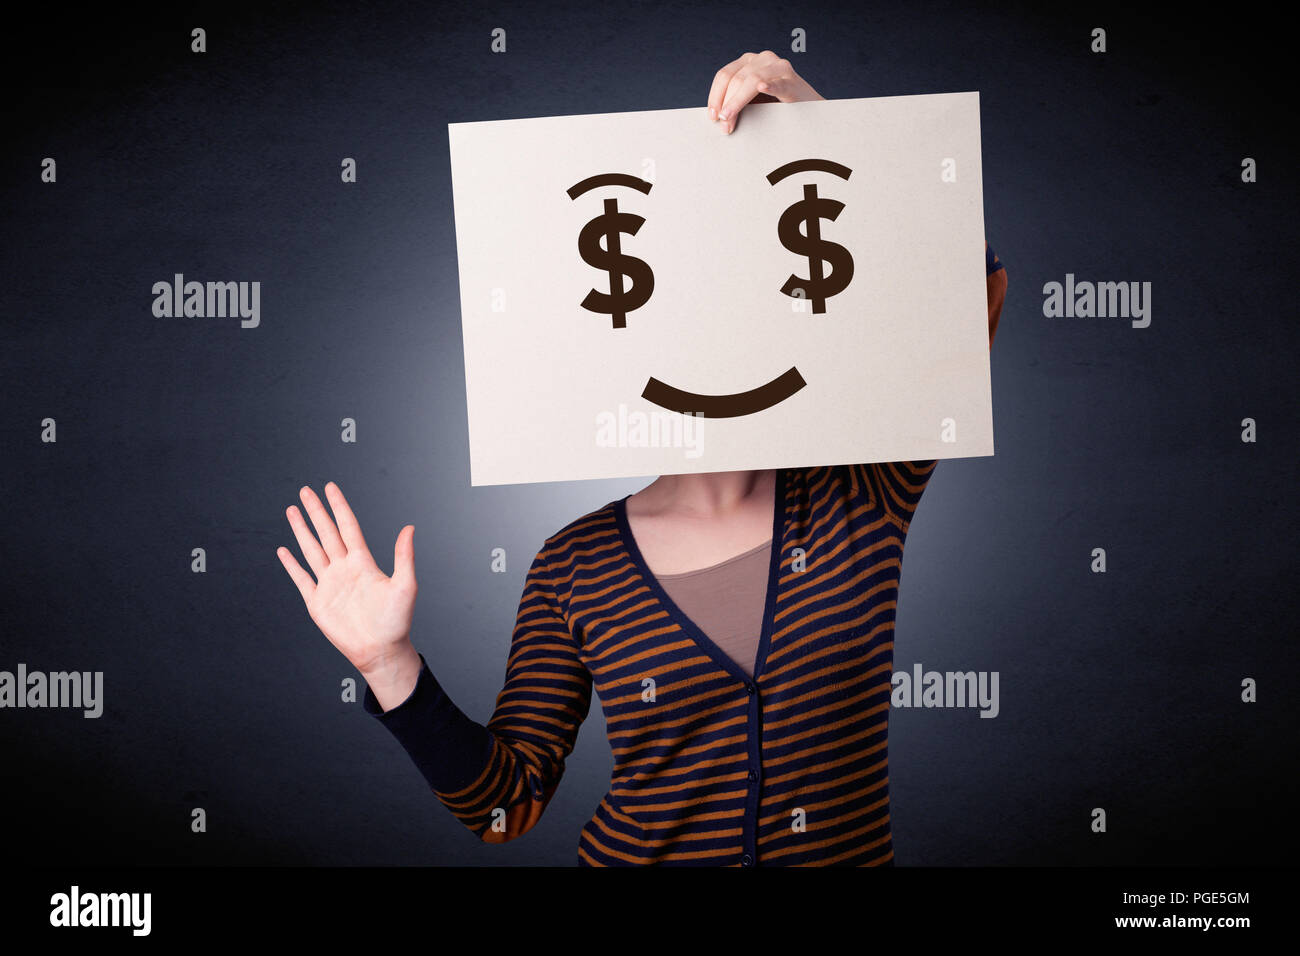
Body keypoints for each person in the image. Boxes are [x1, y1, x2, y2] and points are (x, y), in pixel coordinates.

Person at [277, 51, 1008, 866]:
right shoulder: (574, 566)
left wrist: (828, 136)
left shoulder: (863, 492)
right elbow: (504, 808)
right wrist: (390, 665)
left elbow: (965, 294)